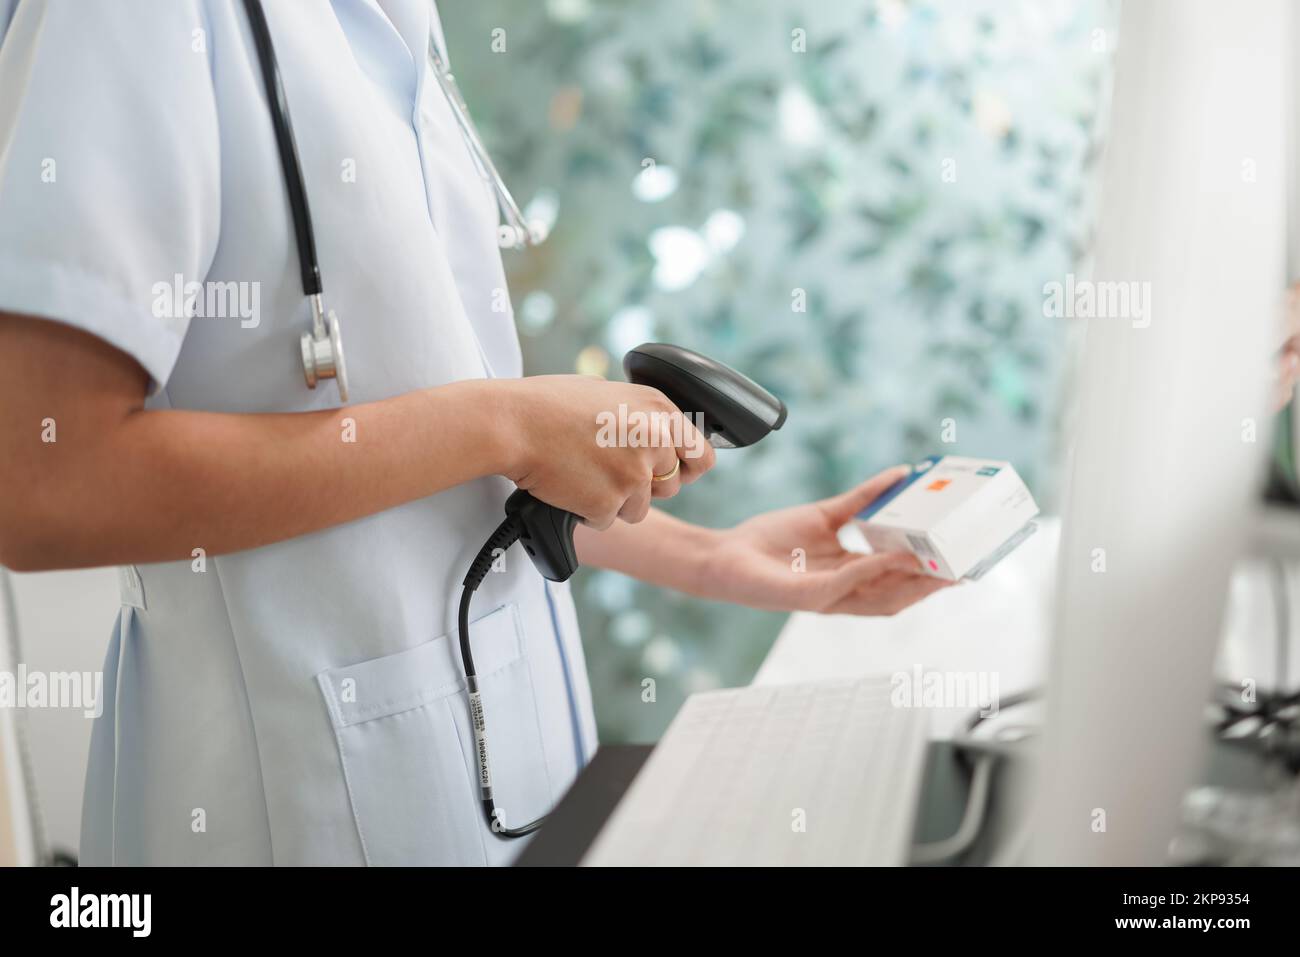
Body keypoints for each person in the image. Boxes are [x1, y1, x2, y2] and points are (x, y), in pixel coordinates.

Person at [0, 1, 950, 865]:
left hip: (492, 771)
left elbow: (421, 473)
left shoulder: (394, 22)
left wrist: (714, 558)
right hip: (282, 803)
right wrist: (506, 420)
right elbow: (47, 483)